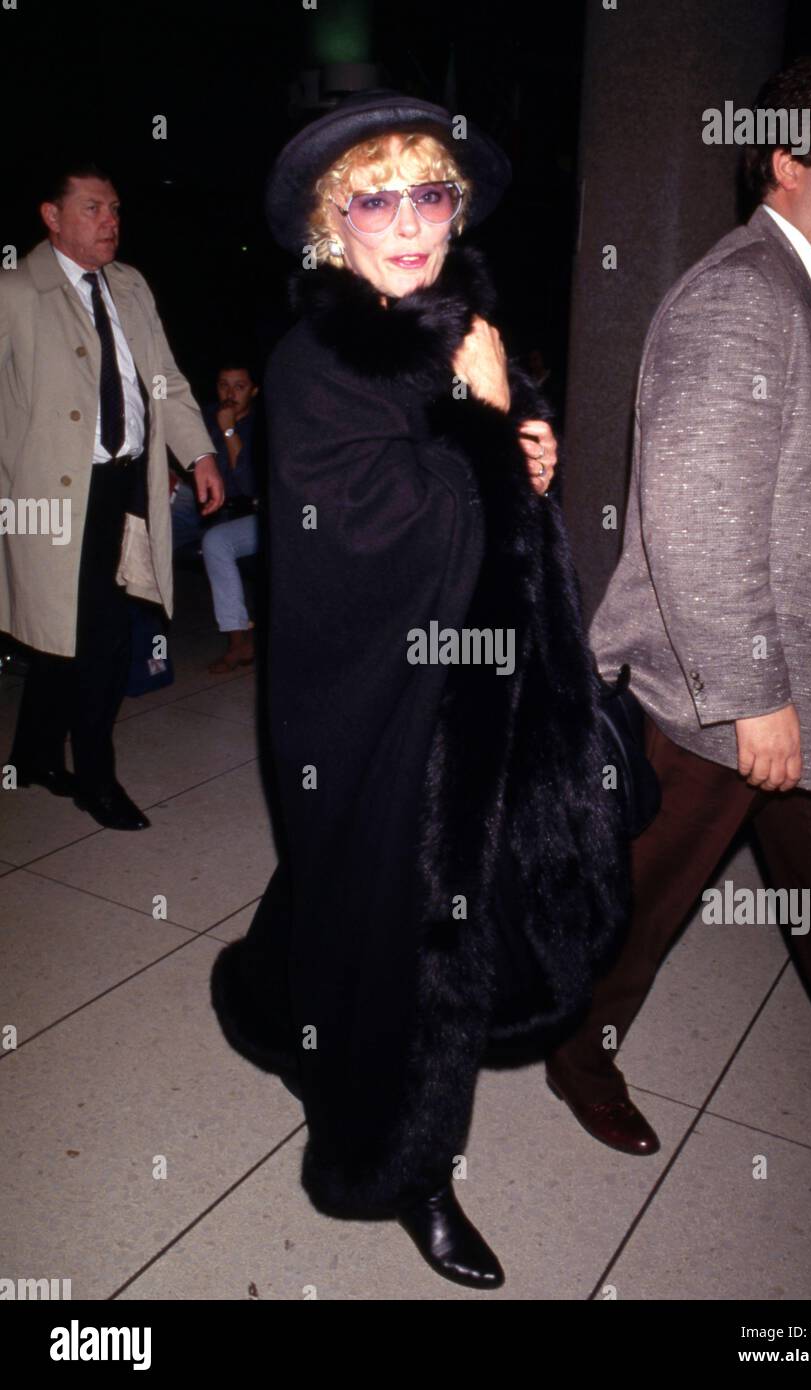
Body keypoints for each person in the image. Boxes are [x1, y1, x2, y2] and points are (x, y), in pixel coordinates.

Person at [210, 89, 630, 1288]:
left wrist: (522, 443)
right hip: (377, 702)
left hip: (470, 688)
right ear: (328, 224)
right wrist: (497, 433)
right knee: (408, 935)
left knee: (354, 897)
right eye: (374, 197)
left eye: (428, 191)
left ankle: (274, 1006)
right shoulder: (315, 358)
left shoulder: (451, 325)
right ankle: (401, 1162)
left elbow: (480, 480)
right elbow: (380, 531)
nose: (409, 222)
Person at [547, 54, 811, 1186]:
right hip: (743, 697)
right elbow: (696, 517)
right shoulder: (738, 297)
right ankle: (574, 1048)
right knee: (649, 895)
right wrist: (754, 692)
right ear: (784, 158)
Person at [0, 163, 224, 830]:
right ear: (52, 216)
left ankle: (34, 755)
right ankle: (95, 777)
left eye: (116, 209)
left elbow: (165, 381)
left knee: (72, 633)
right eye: (94, 208)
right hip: (52, 500)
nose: (111, 221)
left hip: (128, 484)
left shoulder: (130, 286)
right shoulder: (15, 290)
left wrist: (201, 452)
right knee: (97, 639)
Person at [171, 362, 265, 672]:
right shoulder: (203, 418)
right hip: (204, 508)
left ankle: (238, 642)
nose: (230, 393)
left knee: (217, 541)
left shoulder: (265, 423)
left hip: (255, 514)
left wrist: (228, 430)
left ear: (254, 390)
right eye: (224, 385)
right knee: (155, 511)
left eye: (239, 386)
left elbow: (249, 484)